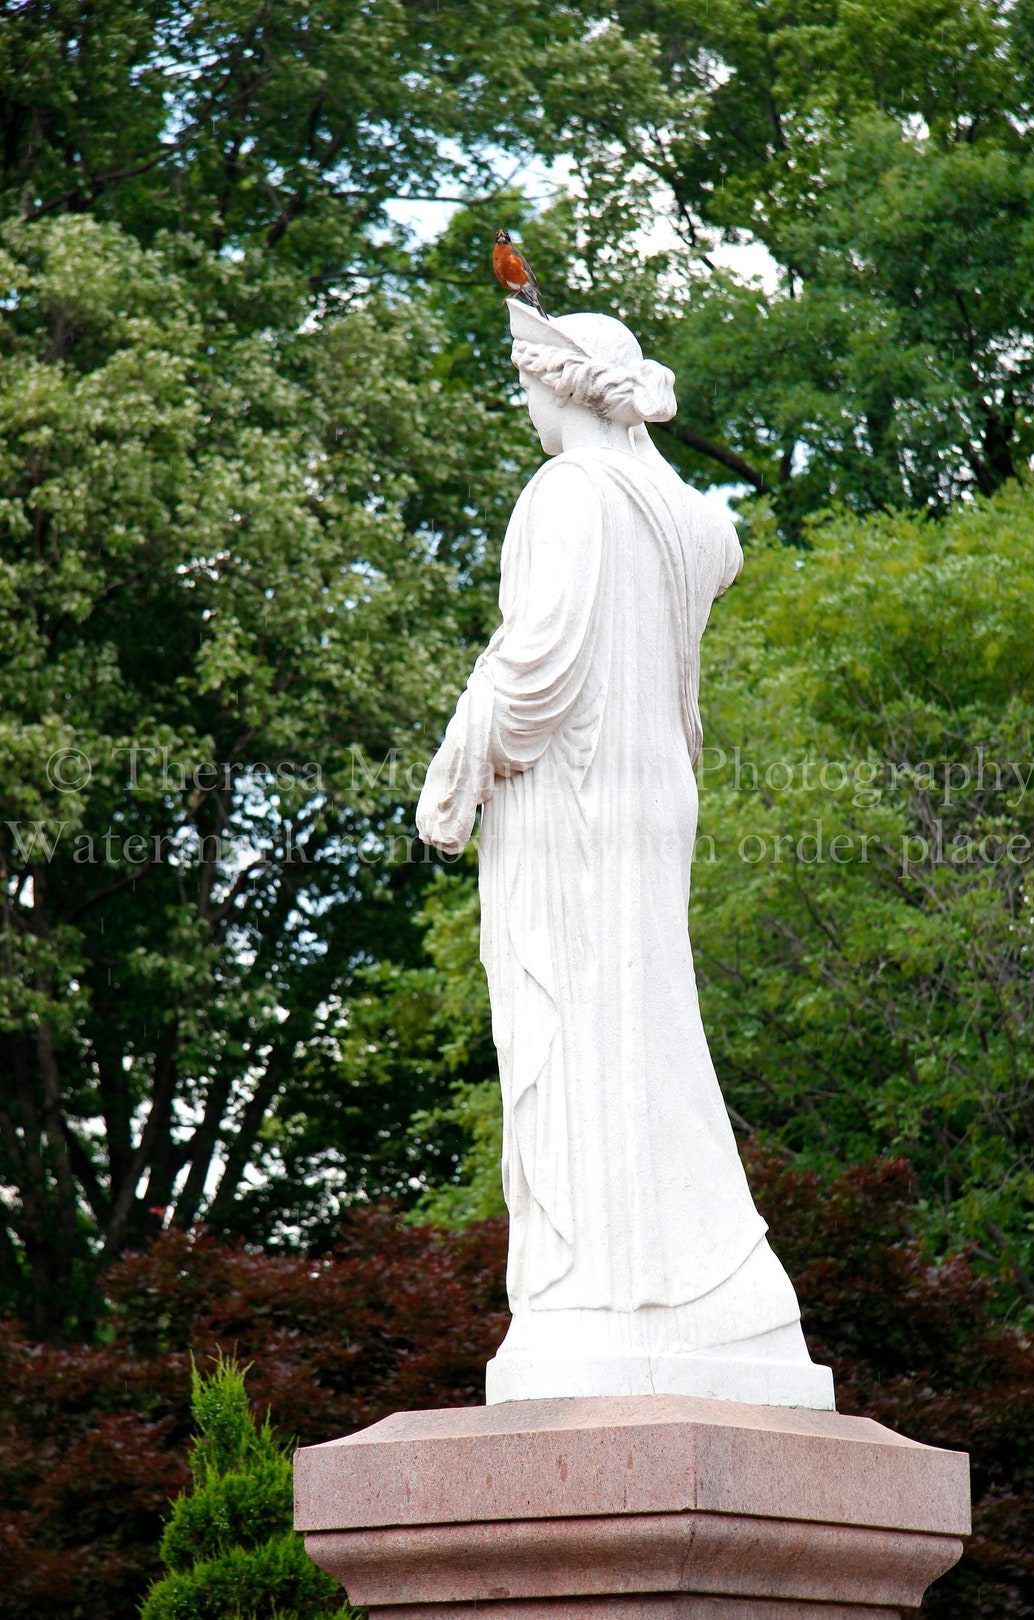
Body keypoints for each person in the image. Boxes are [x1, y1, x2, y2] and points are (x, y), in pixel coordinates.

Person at [417, 302, 832, 1407]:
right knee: (640, 1036)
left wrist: (455, 767)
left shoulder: (569, 494)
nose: (522, 403)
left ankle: (606, 1297)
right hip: (652, 804)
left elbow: (537, 666)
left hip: (573, 807)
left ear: (562, 385)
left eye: (526, 381)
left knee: (580, 1044)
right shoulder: (681, 514)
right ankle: (709, 1296)